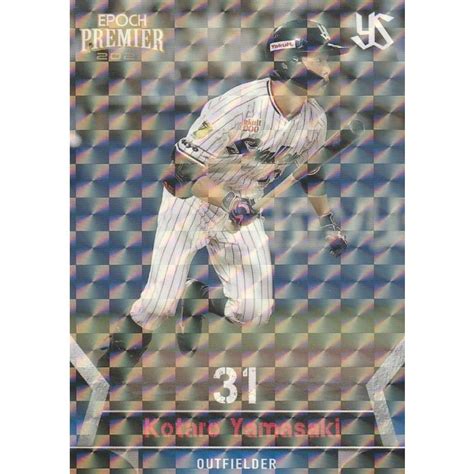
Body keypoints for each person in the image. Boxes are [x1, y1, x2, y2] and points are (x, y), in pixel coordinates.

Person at [100, 19, 349, 383]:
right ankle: (101, 376)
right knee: (157, 304)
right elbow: (181, 173)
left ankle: (200, 299)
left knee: (254, 313)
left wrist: (328, 223)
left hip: (244, 207)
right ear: (291, 59)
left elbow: (309, 174)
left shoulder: (315, 120)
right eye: (320, 57)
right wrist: (228, 200)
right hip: (192, 203)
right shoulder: (238, 104)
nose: (328, 67)